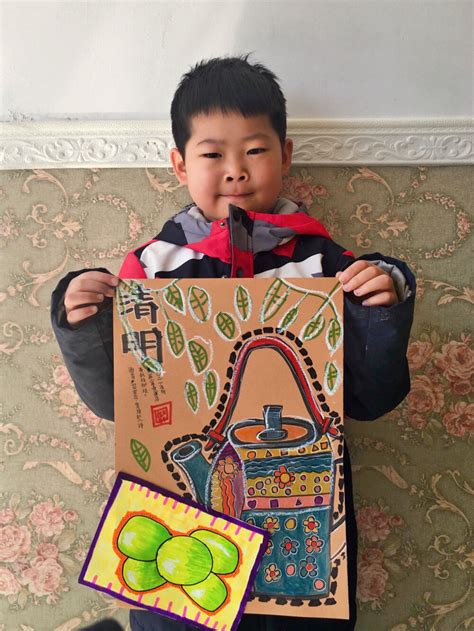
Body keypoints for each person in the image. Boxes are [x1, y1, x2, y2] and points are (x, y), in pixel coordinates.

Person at [51, 56, 415, 631]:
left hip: (302, 526)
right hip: (181, 530)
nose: (236, 171)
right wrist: (84, 322)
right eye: (212, 154)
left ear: (286, 155)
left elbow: (371, 398)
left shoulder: (327, 267)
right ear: (179, 163)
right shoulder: (150, 270)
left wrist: (380, 304)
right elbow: (121, 405)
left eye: (255, 150)